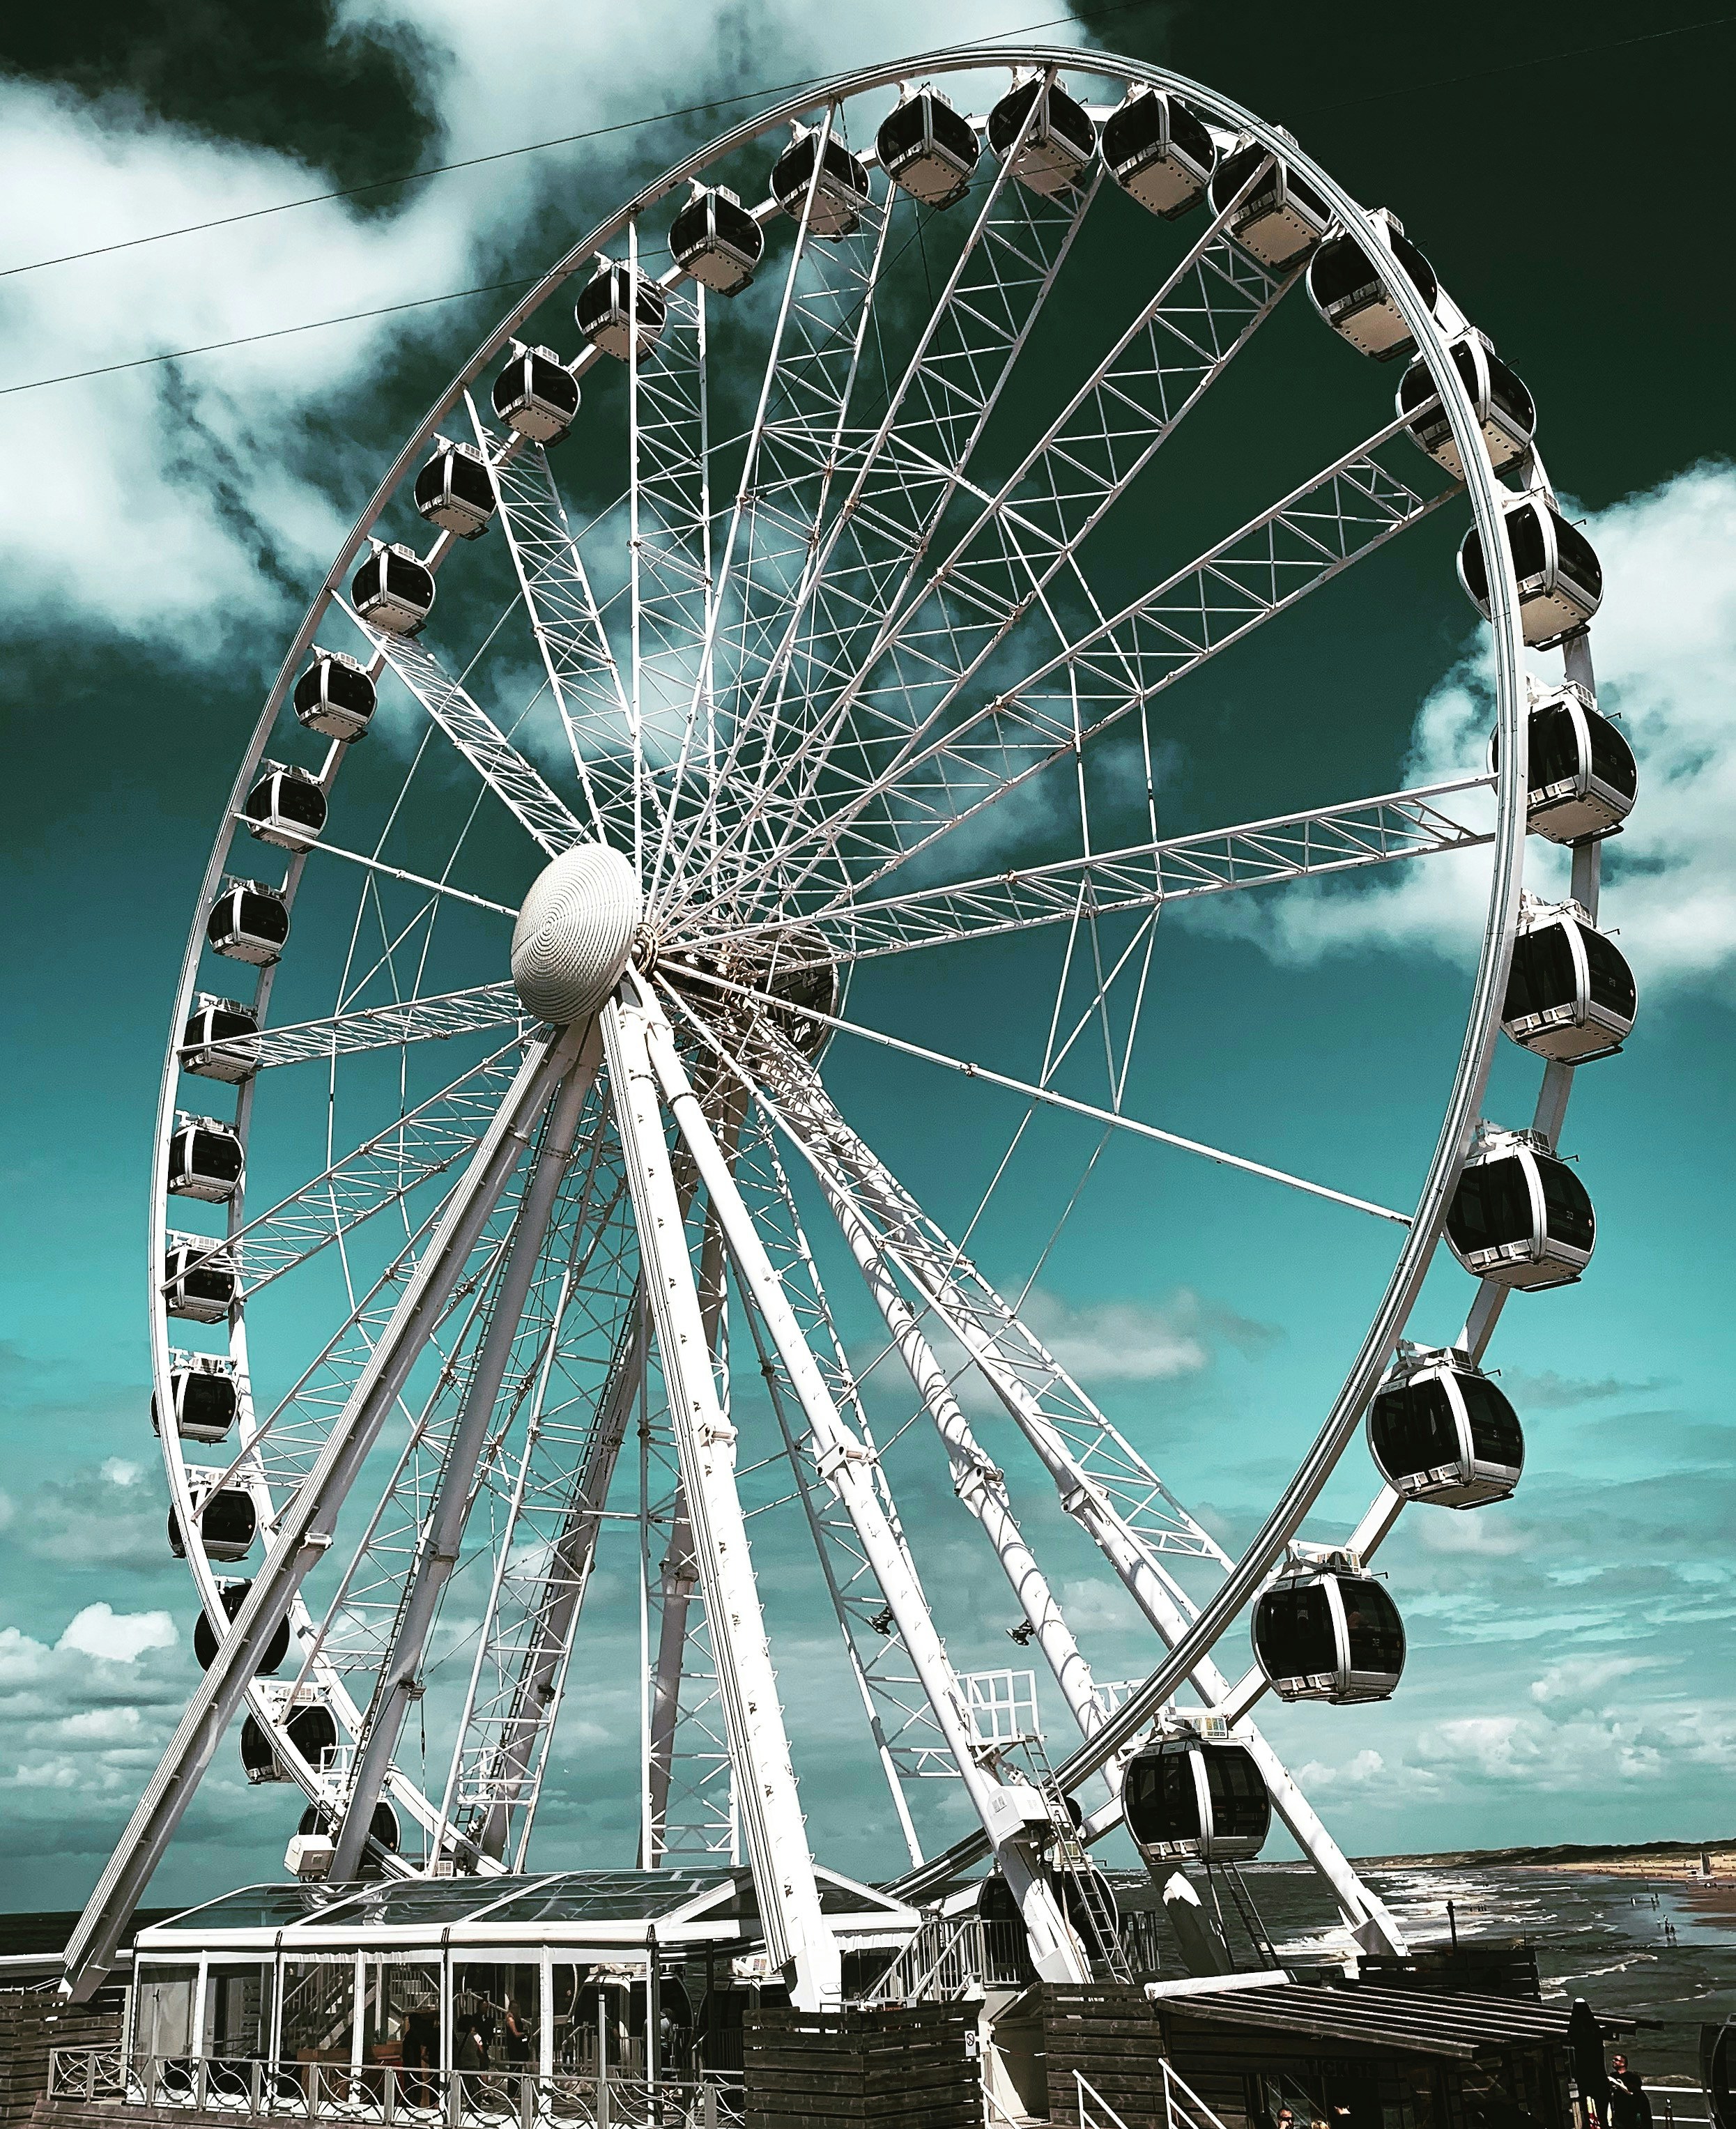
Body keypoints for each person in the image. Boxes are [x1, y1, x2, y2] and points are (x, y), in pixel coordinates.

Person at [1608, 2058, 1652, 2129]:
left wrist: (1618, 2084)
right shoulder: (1613, 2076)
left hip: (1632, 2110)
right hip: (1619, 2110)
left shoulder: (1633, 2077)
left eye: (1616, 2060)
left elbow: (1632, 2093)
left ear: (1623, 2063)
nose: (1613, 2061)